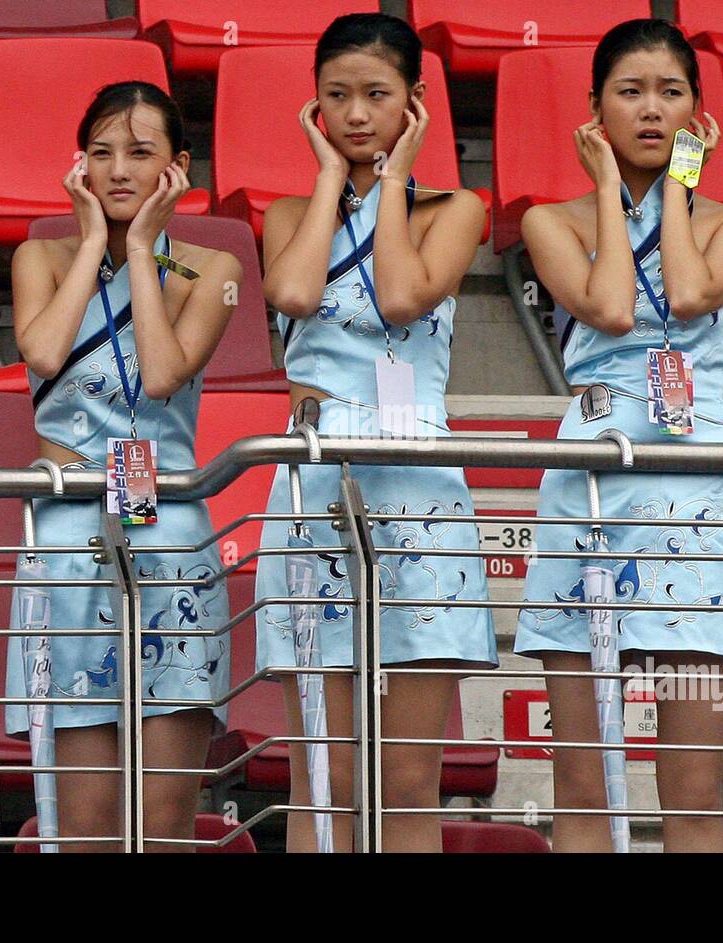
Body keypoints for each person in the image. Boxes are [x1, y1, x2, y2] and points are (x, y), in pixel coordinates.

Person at [514, 19, 723, 852]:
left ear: (697, 111)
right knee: (585, 785)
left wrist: (681, 183)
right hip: (590, 481)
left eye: (671, 93)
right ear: (594, 112)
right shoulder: (553, 220)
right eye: (630, 92)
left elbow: (688, 294)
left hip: (697, 484)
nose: (651, 111)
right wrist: (607, 197)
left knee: (694, 793)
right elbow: (615, 308)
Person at [255, 12, 497, 853]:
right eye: (337, 98)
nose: (356, 115)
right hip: (314, 476)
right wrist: (331, 179)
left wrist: (393, 180)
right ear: (314, 107)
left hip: (416, 474)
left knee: (402, 778)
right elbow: (290, 292)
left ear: (416, 104)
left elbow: (400, 297)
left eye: (377, 96)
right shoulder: (291, 209)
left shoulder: (458, 206)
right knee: (322, 771)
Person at [5, 82, 239, 852]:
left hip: (169, 537)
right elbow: (40, 351)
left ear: (177, 168)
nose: (117, 170)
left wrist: (141, 248)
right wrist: (90, 247)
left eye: (140, 153)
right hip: (70, 541)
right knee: (86, 827)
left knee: (165, 822)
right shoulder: (39, 256)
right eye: (101, 153)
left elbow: (165, 372)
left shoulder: (211, 266)